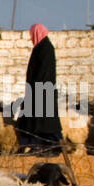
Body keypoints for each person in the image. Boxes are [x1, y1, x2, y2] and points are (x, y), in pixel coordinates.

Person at [17, 23, 62, 155]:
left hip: (42, 91)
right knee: (33, 119)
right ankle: (35, 145)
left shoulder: (45, 48)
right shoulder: (40, 47)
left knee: (45, 121)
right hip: (37, 91)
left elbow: (44, 72)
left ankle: (52, 147)